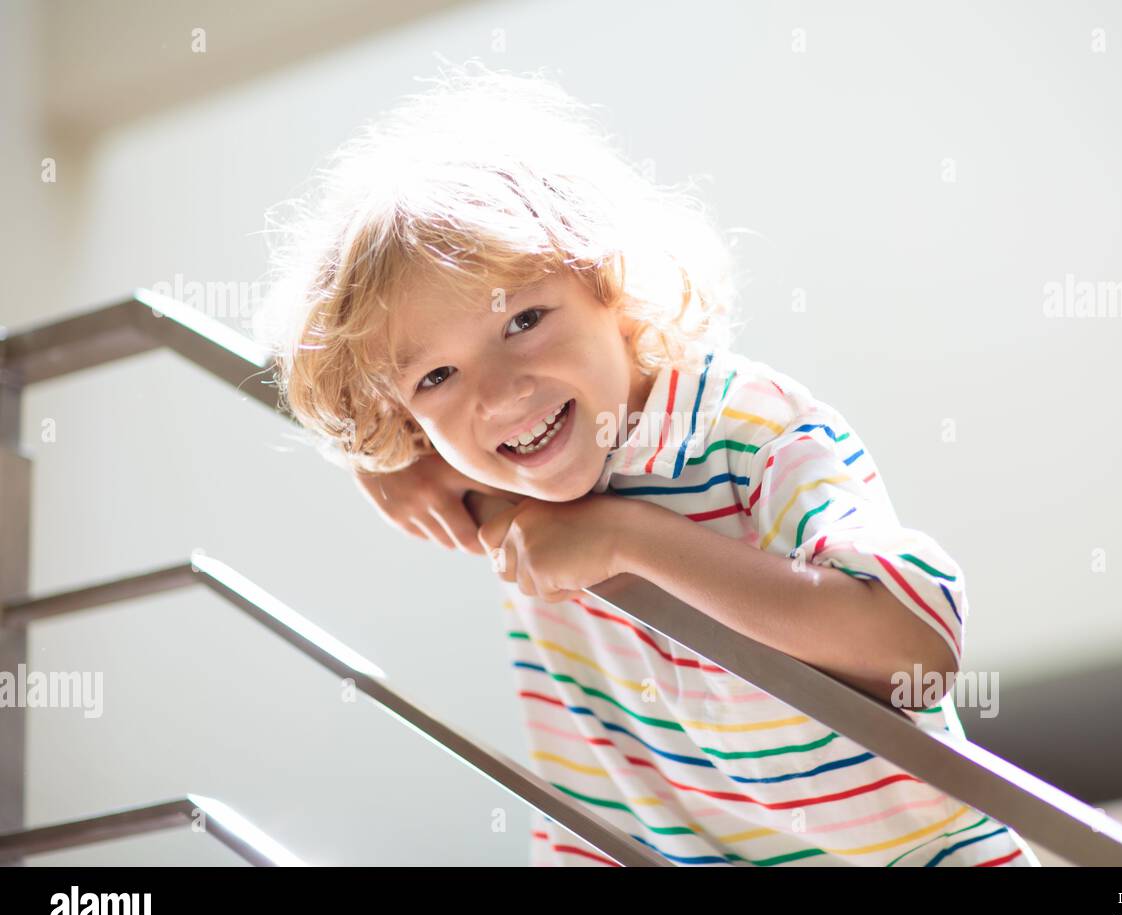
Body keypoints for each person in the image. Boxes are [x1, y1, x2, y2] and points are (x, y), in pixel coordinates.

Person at [254, 61, 1040, 867]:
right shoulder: (495, 476)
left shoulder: (748, 429)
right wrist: (385, 461)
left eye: (523, 319)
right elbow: (333, 390)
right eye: (436, 376)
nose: (497, 393)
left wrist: (629, 538)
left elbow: (915, 650)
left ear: (614, 288)